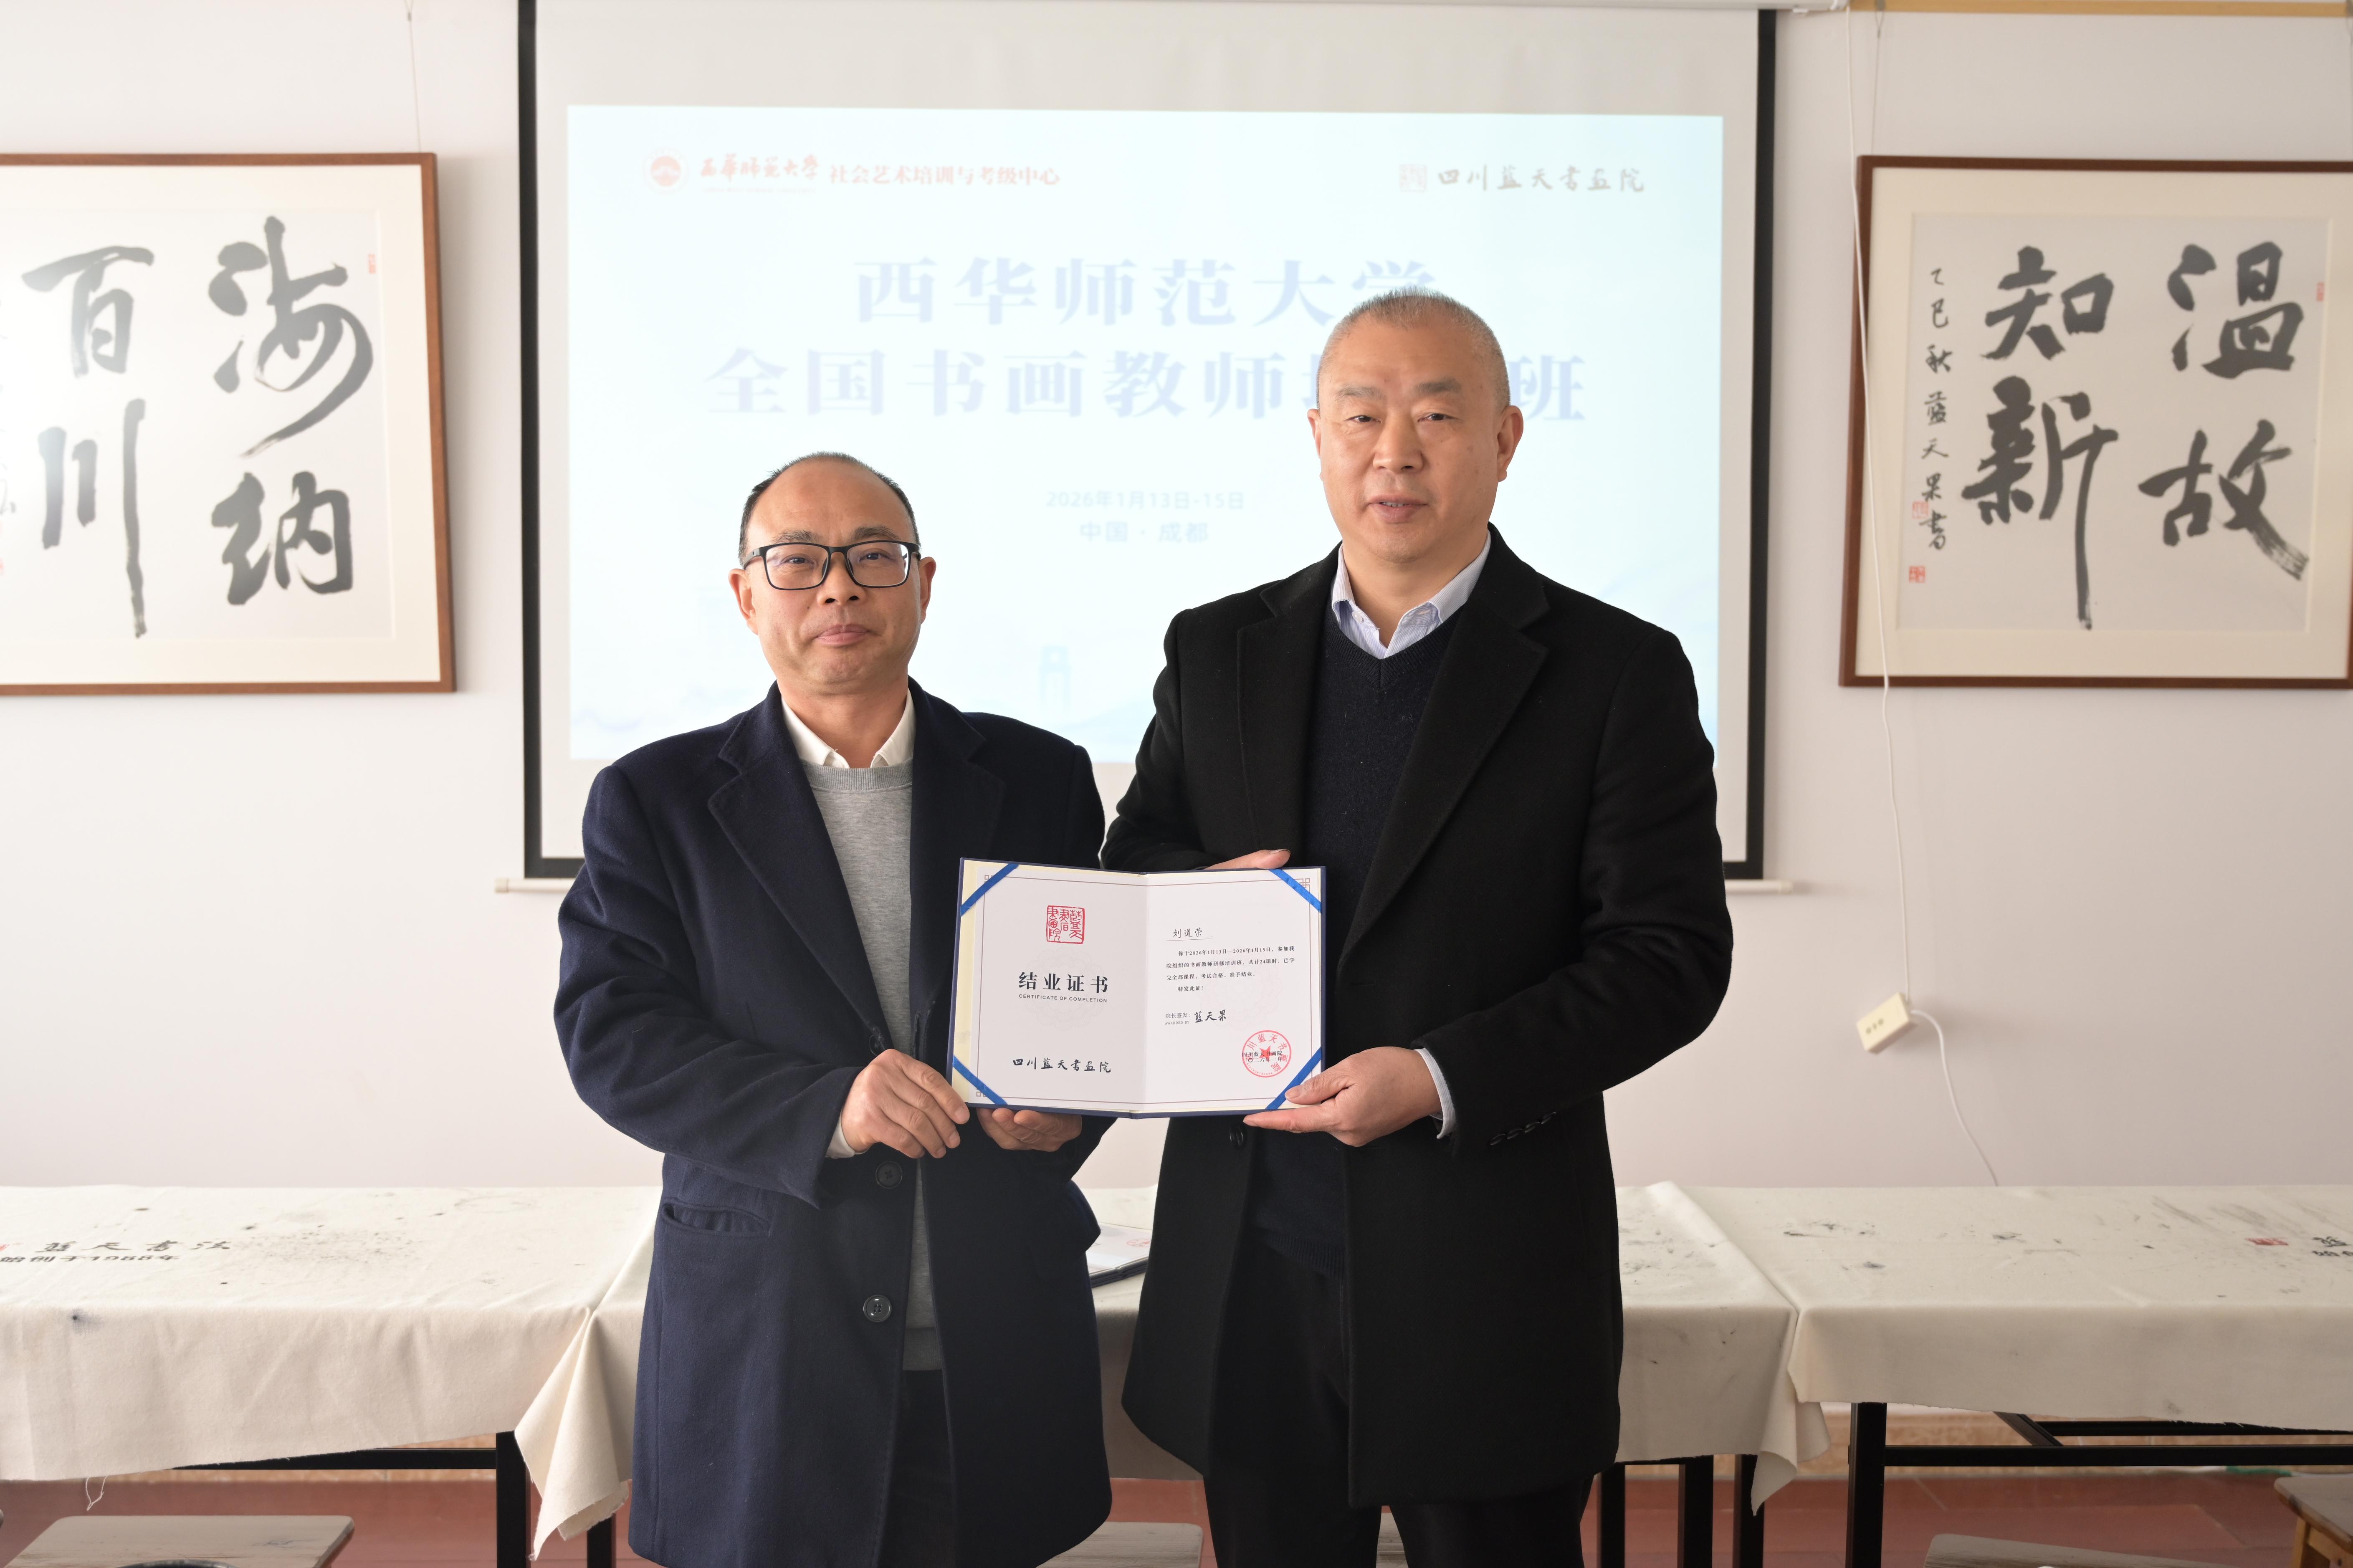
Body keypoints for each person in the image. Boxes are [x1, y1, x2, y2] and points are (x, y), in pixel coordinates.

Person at [1107, 291, 1734, 1567]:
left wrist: (1438, 1075)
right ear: (1316, 436)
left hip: (1484, 1273)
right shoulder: (1220, 648)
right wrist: (1200, 907)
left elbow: (1667, 957)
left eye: (1436, 416)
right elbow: (1141, 865)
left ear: (1504, 438)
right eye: (1361, 415)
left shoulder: (1613, 671)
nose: (1393, 450)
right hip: (1252, 1266)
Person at [556, 453, 1114, 1568]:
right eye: (799, 560)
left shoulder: (1039, 776)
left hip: (991, 1339)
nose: (840, 587)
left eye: (874, 556)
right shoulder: (657, 799)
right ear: (745, 593)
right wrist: (830, 1109)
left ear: (924, 582)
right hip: (770, 1345)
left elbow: (1089, 1004)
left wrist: (1072, 1109)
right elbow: (616, 1039)